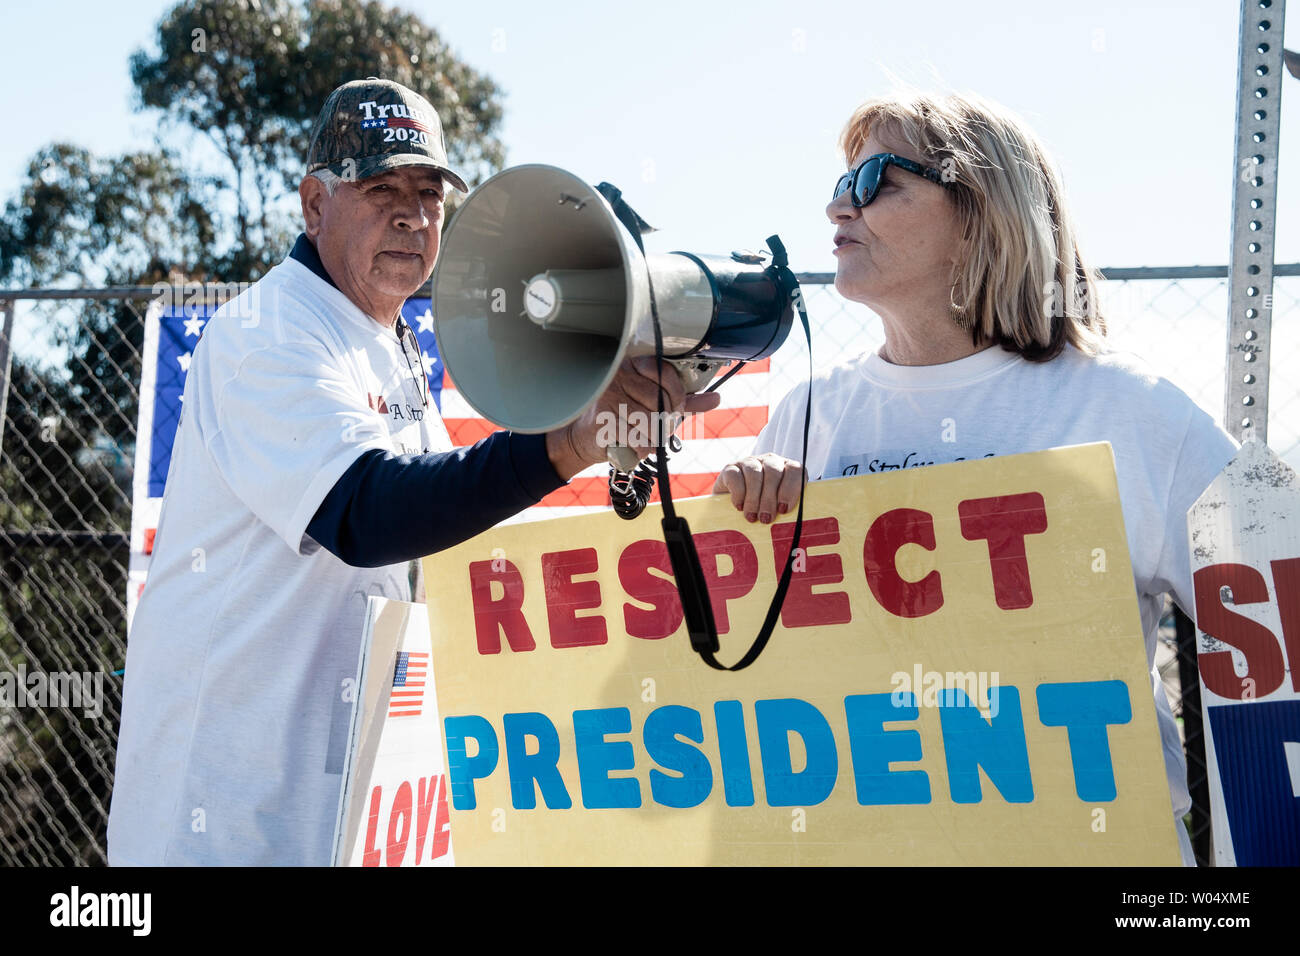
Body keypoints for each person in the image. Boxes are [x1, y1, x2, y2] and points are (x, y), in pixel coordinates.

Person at [108, 78, 716, 866]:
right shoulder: (268, 332)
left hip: (331, 816)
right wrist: (565, 443)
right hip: (218, 825)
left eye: (429, 194)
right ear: (314, 205)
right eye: (380, 187)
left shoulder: (387, 340)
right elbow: (366, 514)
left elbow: (441, 524)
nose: (412, 214)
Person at [713, 90, 1236, 866]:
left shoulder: (1128, 409)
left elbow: (1272, 631)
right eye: (839, 184)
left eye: (876, 181)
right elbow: (738, 671)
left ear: (982, 213)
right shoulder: (808, 415)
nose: (836, 208)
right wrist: (741, 541)